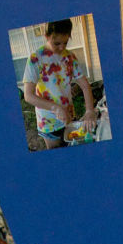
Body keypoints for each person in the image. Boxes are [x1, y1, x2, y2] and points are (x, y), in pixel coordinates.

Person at [22, 19, 96, 150]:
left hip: (68, 117)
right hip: (48, 122)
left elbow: (85, 85)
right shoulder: (35, 59)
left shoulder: (70, 57)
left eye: (65, 43)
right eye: (57, 43)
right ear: (47, 36)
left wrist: (90, 110)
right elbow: (28, 96)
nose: (62, 48)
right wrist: (55, 108)